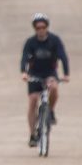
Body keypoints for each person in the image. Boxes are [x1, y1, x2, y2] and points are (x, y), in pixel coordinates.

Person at [20, 14, 70, 144]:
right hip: (35, 73)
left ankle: (51, 110)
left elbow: (63, 56)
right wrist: (24, 73)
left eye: (43, 27)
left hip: (50, 72)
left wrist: (66, 74)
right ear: (35, 29)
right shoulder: (30, 42)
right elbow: (24, 57)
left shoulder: (54, 40)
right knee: (32, 101)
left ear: (47, 27)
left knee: (53, 87)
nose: (40, 30)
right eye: (38, 28)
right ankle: (32, 135)